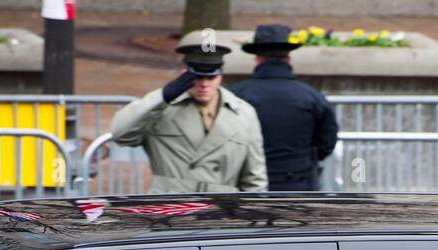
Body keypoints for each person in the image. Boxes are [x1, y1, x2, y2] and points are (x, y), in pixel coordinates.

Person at [110, 40, 268, 193]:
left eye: (211, 77)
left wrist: (253, 216)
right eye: (198, 77)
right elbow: (120, 133)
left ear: (220, 76)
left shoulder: (244, 113)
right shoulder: (162, 107)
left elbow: (254, 178)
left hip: (222, 211)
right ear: (184, 74)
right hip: (171, 208)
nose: (204, 84)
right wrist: (163, 96)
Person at [231, 24, 340, 191]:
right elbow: (326, 142)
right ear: (288, 58)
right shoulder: (312, 97)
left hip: (247, 182)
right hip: (299, 181)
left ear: (258, 59)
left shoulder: (237, 95)